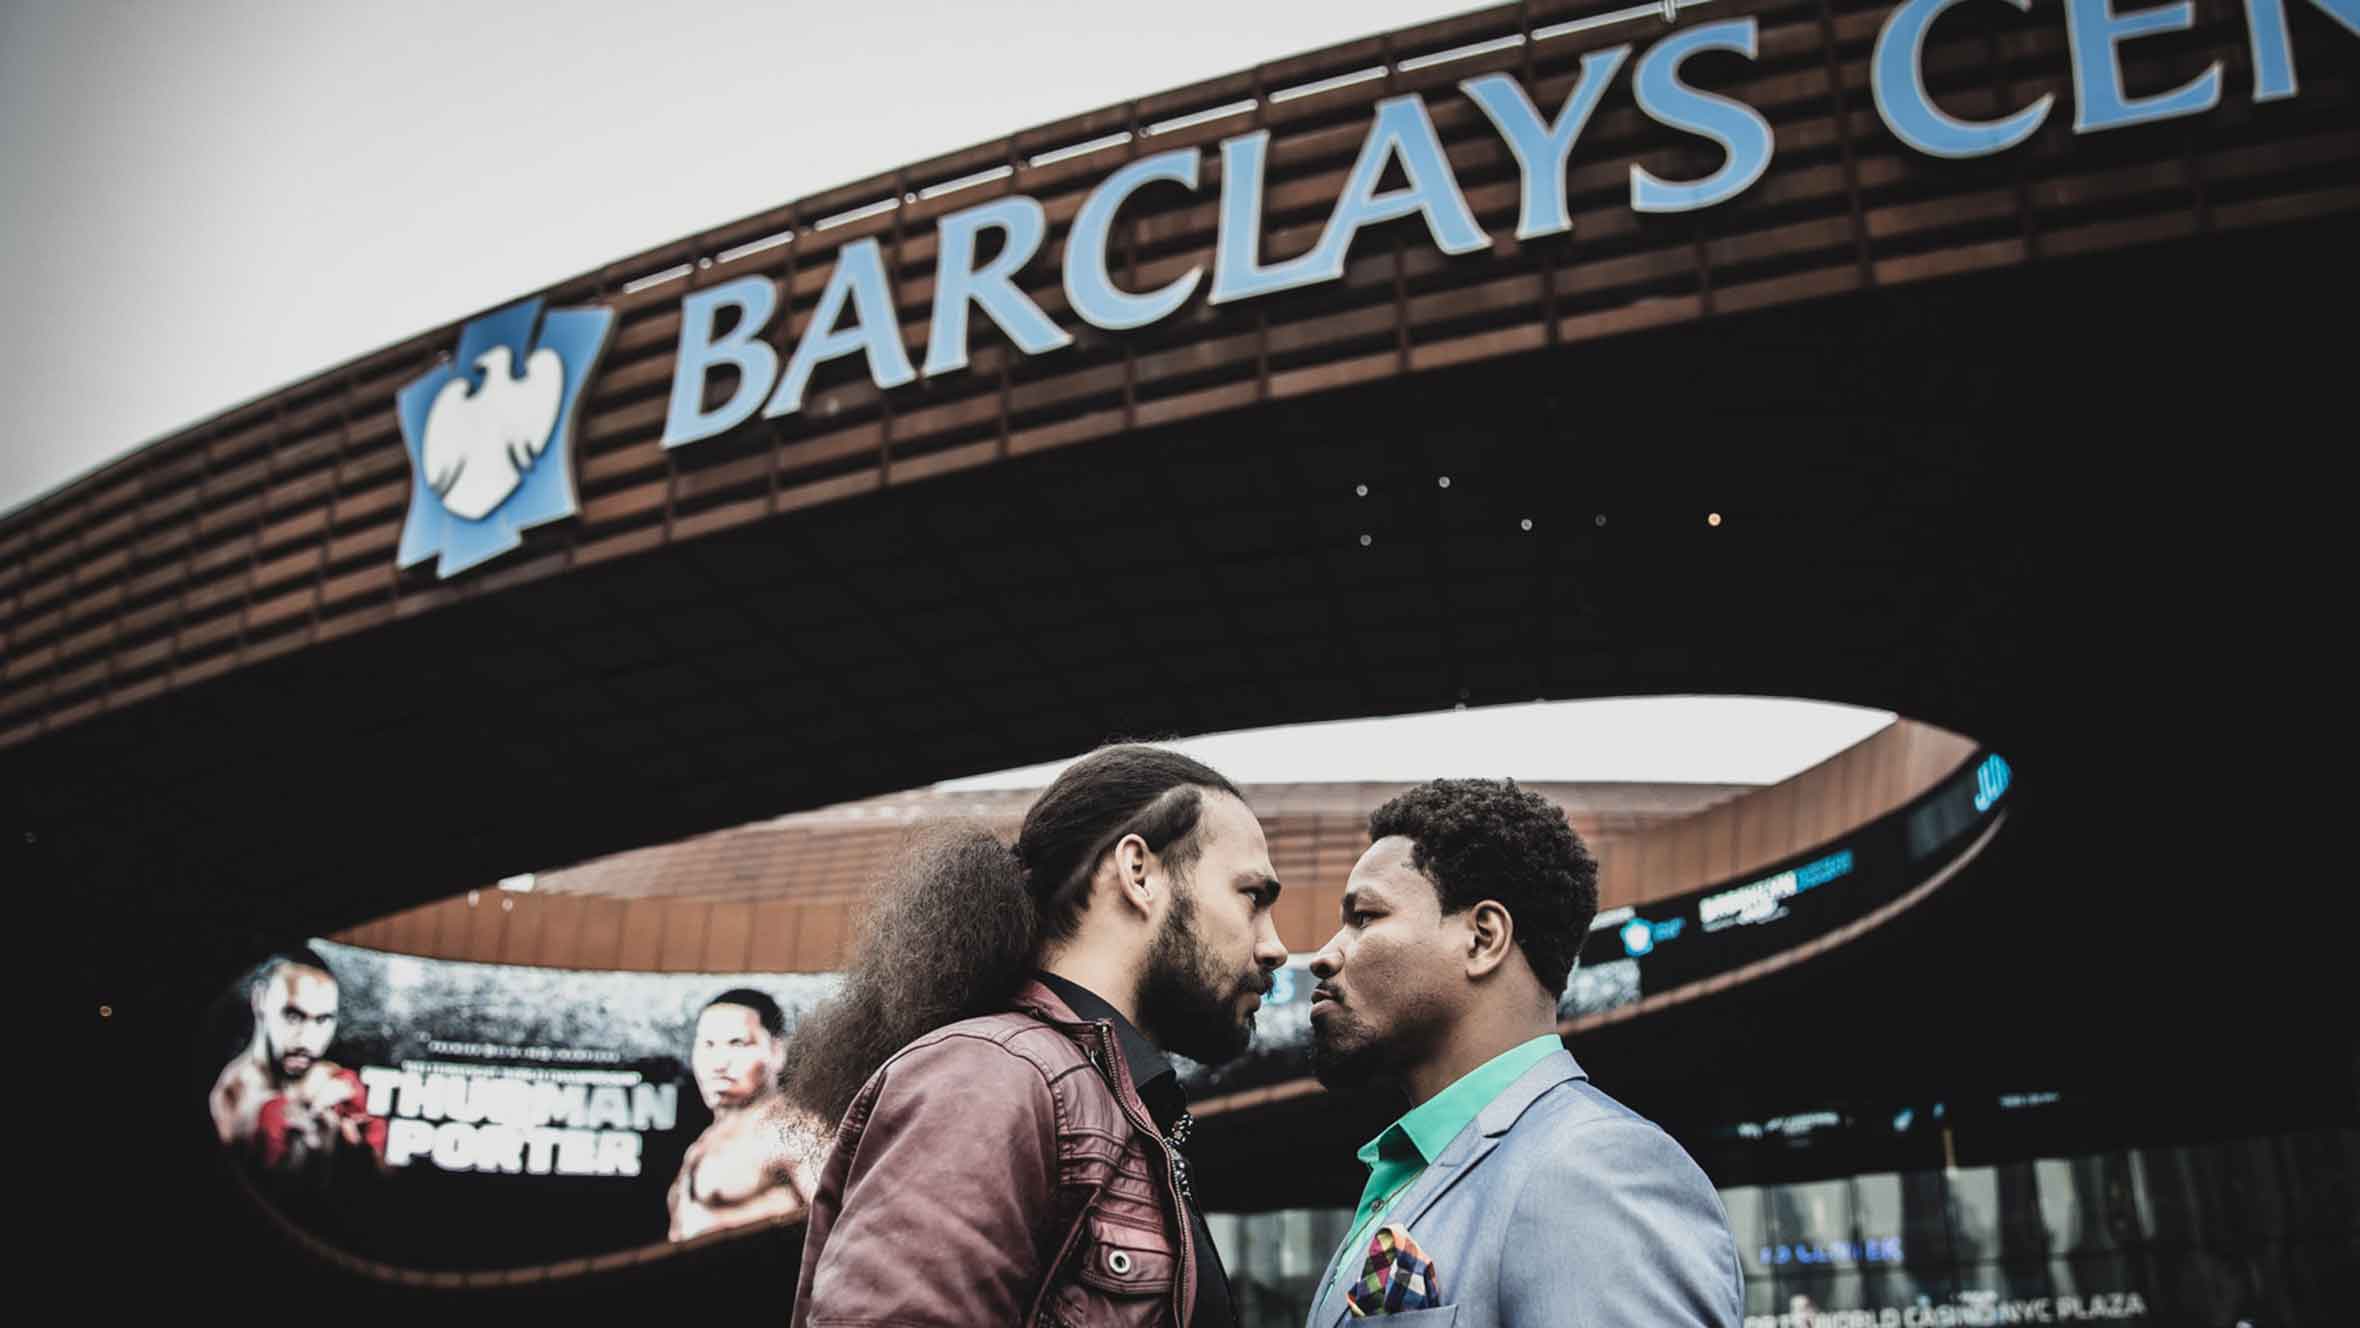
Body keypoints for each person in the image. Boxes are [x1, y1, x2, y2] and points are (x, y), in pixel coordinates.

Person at [787, 744, 1289, 1328]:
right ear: (1139, 874)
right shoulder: (991, 1076)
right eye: (1252, 897)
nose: (1273, 944)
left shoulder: (1097, 1097)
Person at [1302, 778, 1742, 1326]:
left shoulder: (1590, 1169)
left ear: (1483, 938)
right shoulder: (1412, 1171)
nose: (1324, 955)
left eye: (1363, 917)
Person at [667, 988, 827, 1241]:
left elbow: (841, 1225)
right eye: (708, 1045)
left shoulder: (793, 1130)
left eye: (737, 1044)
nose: (719, 1063)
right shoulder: (704, 1142)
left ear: (776, 1052)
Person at [209, 949, 385, 1174]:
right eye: (293, 1016)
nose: (307, 1041)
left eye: (323, 1020)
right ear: (260, 1000)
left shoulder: (338, 1084)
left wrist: (364, 1154)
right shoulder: (231, 1100)